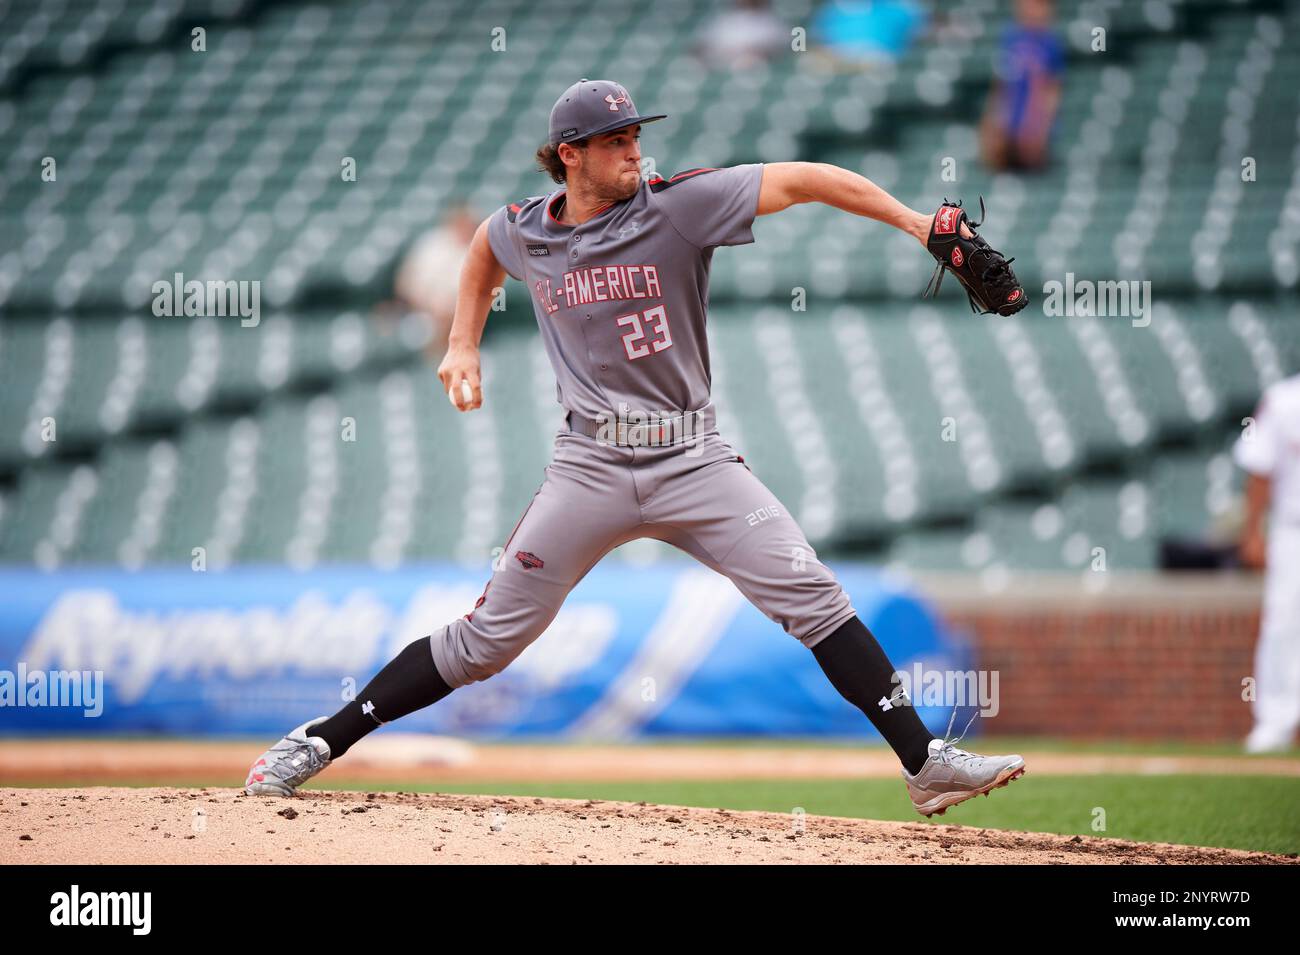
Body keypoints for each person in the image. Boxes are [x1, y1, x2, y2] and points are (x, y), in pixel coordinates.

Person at [244, 78, 1026, 818]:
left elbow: (810, 179)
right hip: (588, 467)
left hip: (693, 459)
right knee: (485, 642)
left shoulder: (681, 206)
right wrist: (462, 342)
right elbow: (482, 250)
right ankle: (320, 738)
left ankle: (924, 763)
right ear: (569, 155)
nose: (632, 149)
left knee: (813, 598)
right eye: (613, 139)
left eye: (633, 135)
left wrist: (918, 224)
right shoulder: (528, 230)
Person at [1234, 374, 1300, 753]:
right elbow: (1260, 468)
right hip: (1292, 528)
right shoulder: (1283, 400)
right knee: (1282, 622)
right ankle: (1275, 722)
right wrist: (1253, 531)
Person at [980, 0, 1064, 172]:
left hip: (1034, 132)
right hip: (1008, 129)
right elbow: (1001, 87)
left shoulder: (1050, 44)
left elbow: (1051, 91)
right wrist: (992, 125)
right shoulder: (1010, 39)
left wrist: (1039, 129)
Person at [391, 202, 480, 357]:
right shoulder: (432, 242)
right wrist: (417, 304)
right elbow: (405, 280)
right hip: (413, 307)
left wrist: (442, 313)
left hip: (451, 318)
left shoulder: (476, 252)